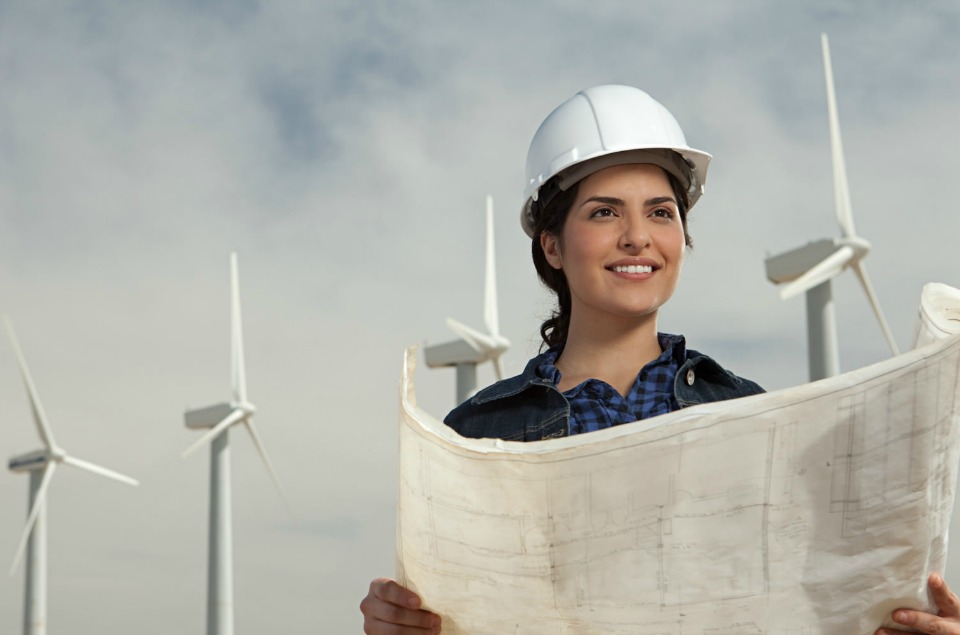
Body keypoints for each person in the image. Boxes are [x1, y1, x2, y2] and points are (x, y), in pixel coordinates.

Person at [359, 85, 959, 634]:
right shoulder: (475, 438)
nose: (637, 237)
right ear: (551, 245)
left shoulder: (749, 412)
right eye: (604, 211)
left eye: (660, 212)